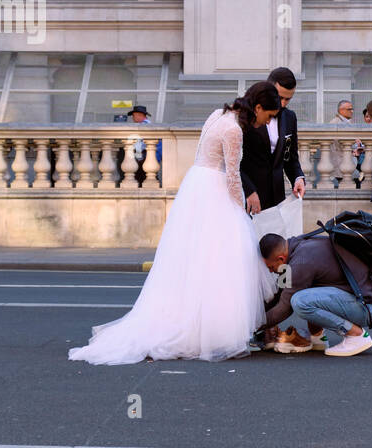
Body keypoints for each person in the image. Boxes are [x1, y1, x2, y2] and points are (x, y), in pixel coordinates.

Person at [68, 82, 280, 365]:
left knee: (193, 260)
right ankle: (213, 331)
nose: (269, 121)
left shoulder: (218, 114)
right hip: (215, 188)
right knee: (222, 260)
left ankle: (200, 325)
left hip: (198, 185)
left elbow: (203, 158)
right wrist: (241, 208)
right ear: (257, 108)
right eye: (269, 115)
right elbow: (232, 176)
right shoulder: (234, 130)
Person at [258, 230, 372, 357]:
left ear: (280, 258)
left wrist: (251, 328)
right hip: (361, 300)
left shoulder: (300, 263)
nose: (271, 272)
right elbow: (279, 293)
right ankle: (317, 338)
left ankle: (356, 335)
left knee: (300, 301)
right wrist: (249, 319)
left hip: (367, 308)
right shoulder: (297, 246)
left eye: (271, 267)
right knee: (306, 291)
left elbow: (284, 308)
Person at [240, 67, 306, 213]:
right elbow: (234, 162)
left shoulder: (290, 117)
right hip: (247, 196)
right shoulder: (245, 115)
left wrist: (298, 178)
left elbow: (290, 158)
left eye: (287, 99)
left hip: (277, 198)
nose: (282, 104)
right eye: (279, 97)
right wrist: (249, 190)